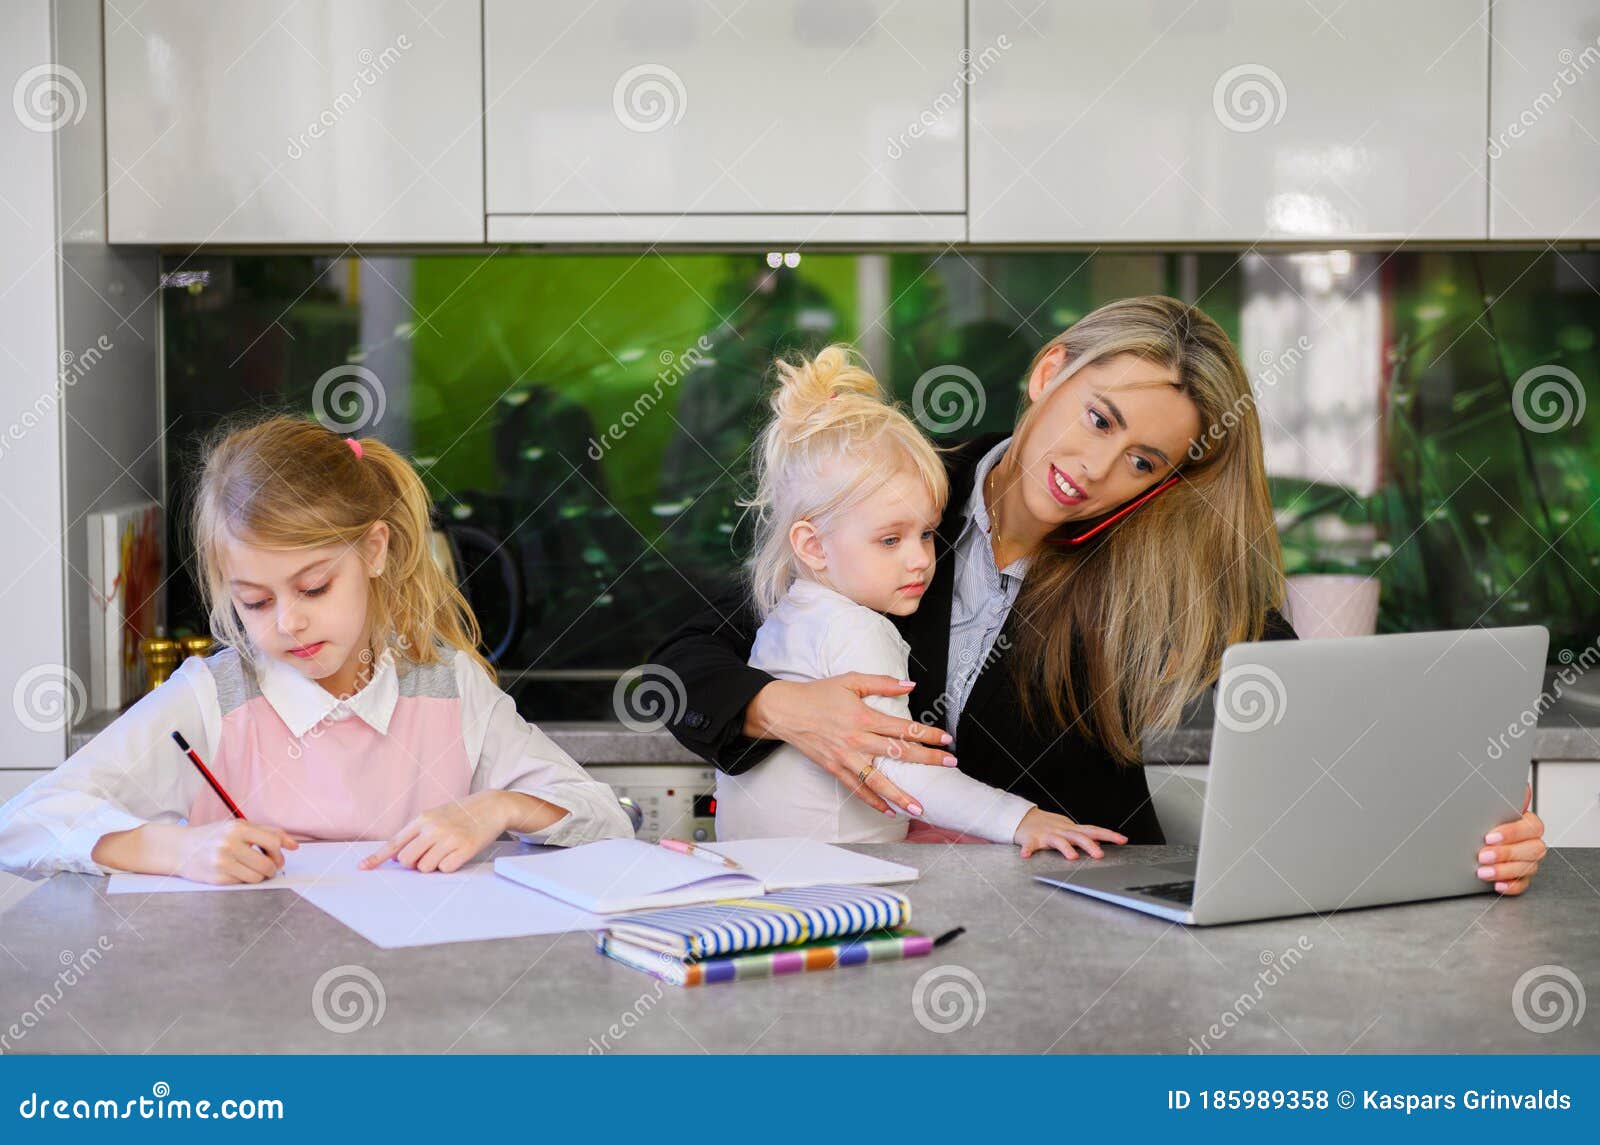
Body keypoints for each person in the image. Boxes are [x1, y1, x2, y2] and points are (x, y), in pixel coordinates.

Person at [653, 297, 1547, 890]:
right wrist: (787, 708)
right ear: (1050, 373)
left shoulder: (1165, 577)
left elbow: (1311, 741)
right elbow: (685, 662)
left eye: (1144, 460)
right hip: (885, 912)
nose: (1096, 469)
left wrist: (1459, 821)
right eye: (1099, 418)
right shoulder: (900, 498)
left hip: (1073, 930)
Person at [0, 417, 633, 883]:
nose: (290, 623)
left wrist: (497, 808)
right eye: (255, 601)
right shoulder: (210, 699)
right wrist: (174, 848)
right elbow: (24, 824)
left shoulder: (449, 686)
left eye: (314, 587)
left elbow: (607, 818)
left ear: (375, 551)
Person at [715, 344, 1123, 858]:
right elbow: (904, 771)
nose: (919, 561)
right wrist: (1023, 818)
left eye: (927, 533)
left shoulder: (790, 614)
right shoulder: (858, 630)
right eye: (890, 540)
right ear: (812, 545)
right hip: (833, 881)